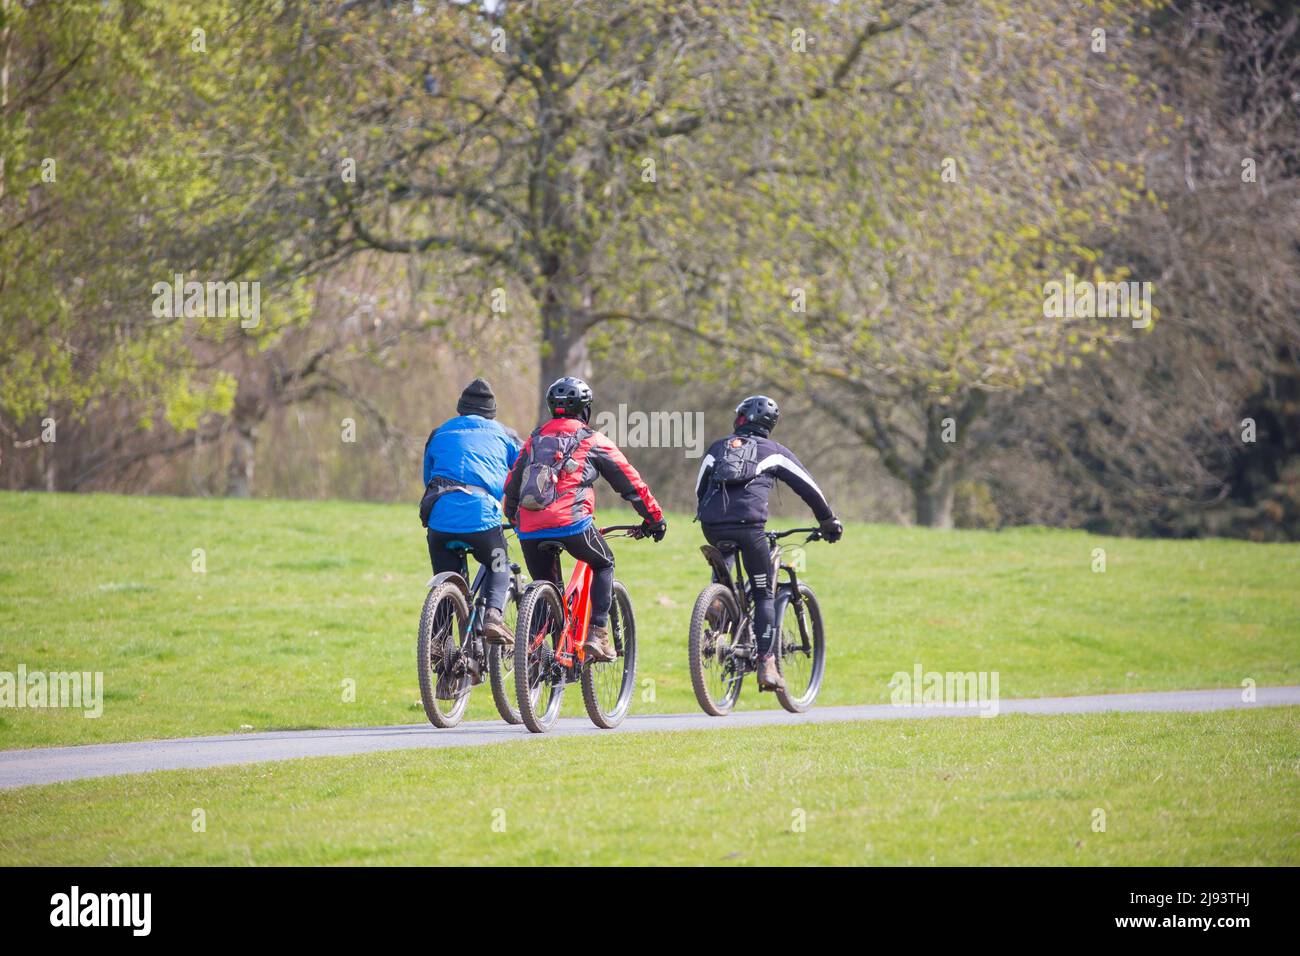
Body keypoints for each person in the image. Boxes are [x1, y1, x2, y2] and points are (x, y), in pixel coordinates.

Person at [503, 376, 666, 662]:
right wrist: (654, 518)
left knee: (546, 584)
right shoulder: (592, 440)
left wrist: (516, 520)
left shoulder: (534, 439)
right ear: (585, 409)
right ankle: (597, 633)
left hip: (530, 530)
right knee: (604, 563)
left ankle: (542, 655)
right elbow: (630, 484)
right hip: (573, 524)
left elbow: (512, 486)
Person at [695, 395, 842, 691]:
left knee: (727, 559)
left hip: (711, 526)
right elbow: (809, 488)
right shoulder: (774, 452)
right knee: (763, 593)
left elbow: (700, 488)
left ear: (739, 419)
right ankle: (767, 663)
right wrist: (828, 521)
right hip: (749, 528)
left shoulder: (717, 448)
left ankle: (721, 605)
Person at [419, 378, 521, 645]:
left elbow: (428, 477)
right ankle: (493, 618)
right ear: (492, 411)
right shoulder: (504, 435)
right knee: (500, 566)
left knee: (446, 584)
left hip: (439, 522)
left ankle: (442, 654)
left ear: (460, 408)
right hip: (482, 519)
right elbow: (523, 472)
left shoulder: (439, 433)